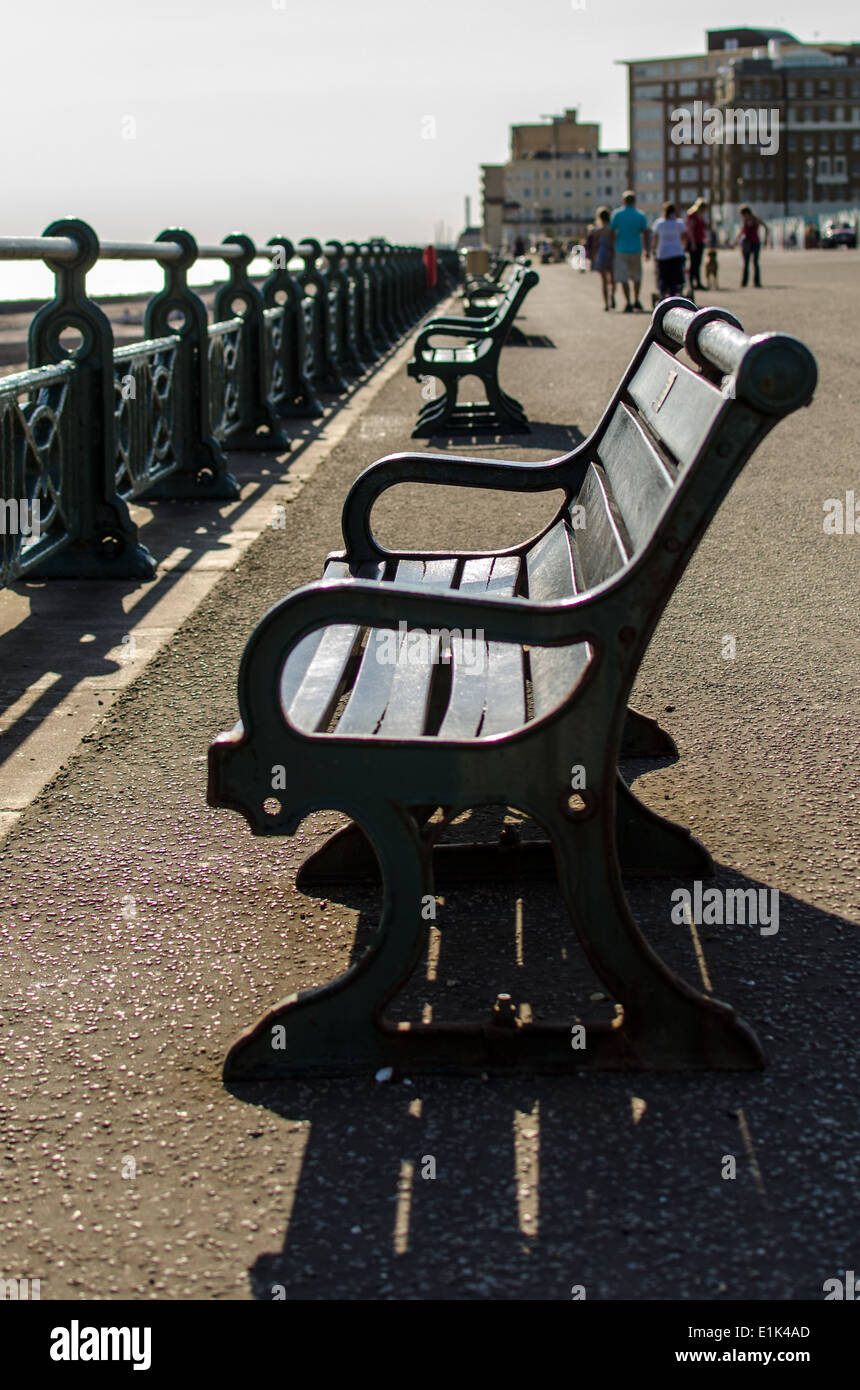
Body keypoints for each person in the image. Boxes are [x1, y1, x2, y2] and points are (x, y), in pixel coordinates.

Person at [610, 189, 650, 313]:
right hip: (636, 249)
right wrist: (647, 250)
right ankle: (636, 299)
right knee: (637, 276)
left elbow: (612, 232)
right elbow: (645, 233)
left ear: (623, 201)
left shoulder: (617, 214)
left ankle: (627, 302)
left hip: (621, 249)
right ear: (634, 202)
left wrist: (612, 247)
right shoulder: (640, 215)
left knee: (623, 277)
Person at [651, 202, 688, 301]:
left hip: (663, 253)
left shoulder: (659, 223)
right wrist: (683, 248)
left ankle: (663, 292)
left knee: (663, 275)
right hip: (677, 252)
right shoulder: (679, 223)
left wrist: (654, 249)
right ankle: (675, 291)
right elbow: (684, 237)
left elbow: (655, 238)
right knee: (675, 275)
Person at [588, 207, 615, 310]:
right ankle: (612, 294)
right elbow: (613, 242)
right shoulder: (611, 229)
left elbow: (595, 245)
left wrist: (594, 258)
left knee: (603, 281)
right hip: (610, 254)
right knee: (612, 279)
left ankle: (606, 304)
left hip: (601, 254)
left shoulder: (598, 230)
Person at [738, 205, 768, 287]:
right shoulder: (744, 220)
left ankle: (756, 282)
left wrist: (765, 239)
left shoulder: (756, 219)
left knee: (755, 263)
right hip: (746, 243)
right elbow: (742, 231)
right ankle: (744, 282)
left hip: (755, 242)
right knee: (746, 263)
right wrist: (738, 239)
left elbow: (766, 227)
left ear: (747, 213)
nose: (742, 216)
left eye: (743, 214)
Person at [685, 197, 708, 293]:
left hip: (700, 241)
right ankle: (691, 283)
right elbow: (690, 230)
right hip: (694, 242)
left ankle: (698, 282)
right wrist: (693, 242)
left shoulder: (701, 216)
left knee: (698, 263)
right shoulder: (692, 215)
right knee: (693, 263)